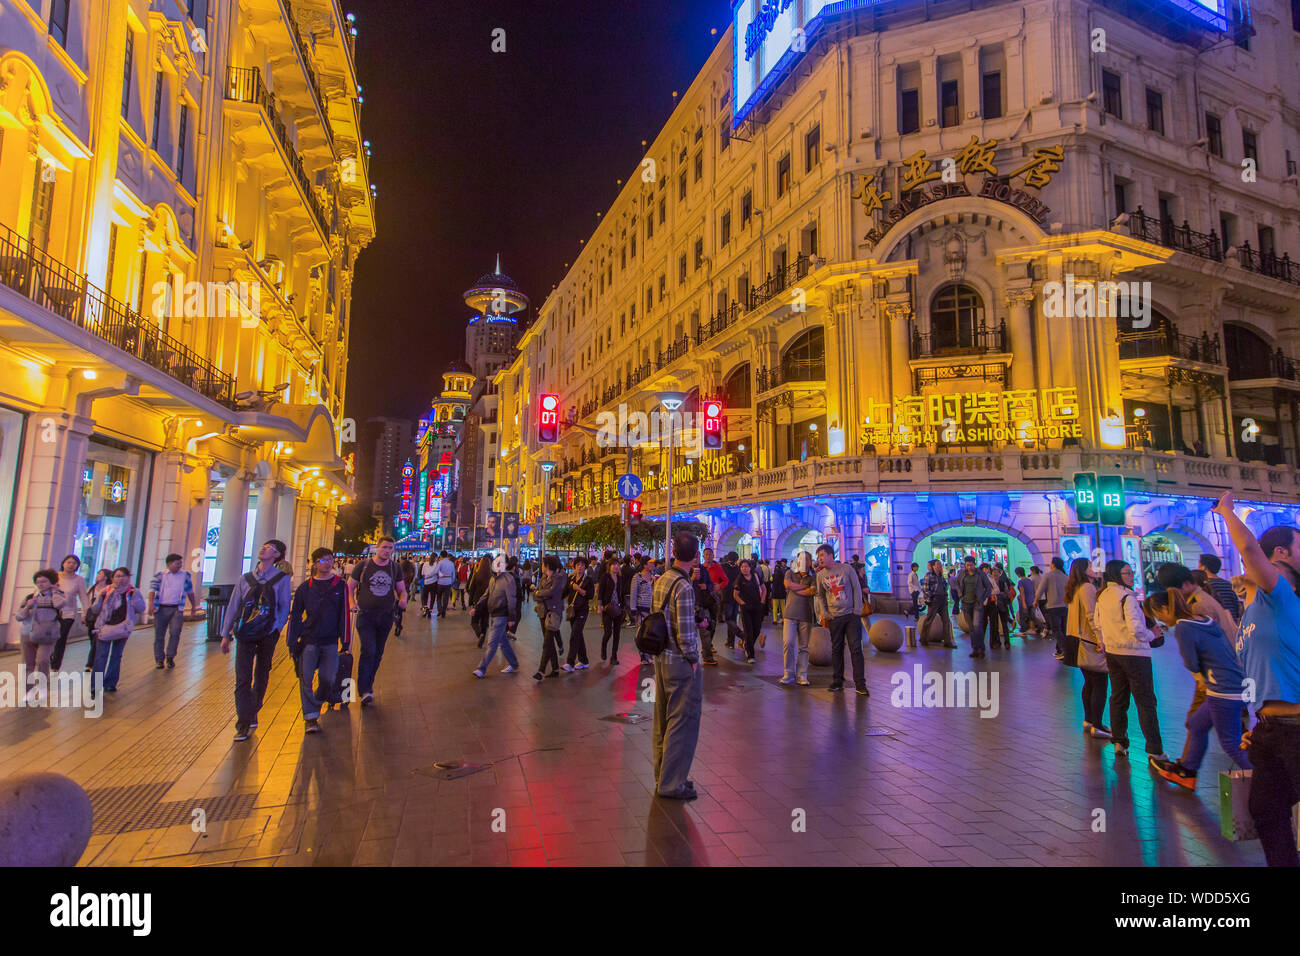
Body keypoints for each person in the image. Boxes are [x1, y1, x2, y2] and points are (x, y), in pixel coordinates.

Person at [1211, 491, 1300, 866]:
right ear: (1281, 552)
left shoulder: (1281, 596)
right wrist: (1256, 717)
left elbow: (1247, 547)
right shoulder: (1252, 614)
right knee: (1265, 811)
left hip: (1297, 728)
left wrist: (1227, 512)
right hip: (1269, 730)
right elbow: (1256, 673)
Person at [1145, 587, 1251, 789]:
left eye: (1157, 615)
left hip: (1223, 690)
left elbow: (1192, 663)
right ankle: (1187, 771)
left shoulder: (1184, 627)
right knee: (1196, 724)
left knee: (1230, 743)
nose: (1159, 620)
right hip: (1234, 684)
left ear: (1165, 609)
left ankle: (1267, 781)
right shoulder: (1205, 620)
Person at [1092, 559, 1177, 774]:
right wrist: (1152, 635)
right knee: (1145, 700)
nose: (1130, 576)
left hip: (1113, 652)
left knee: (1118, 698)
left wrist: (1104, 641)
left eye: (1130, 572)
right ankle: (1154, 749)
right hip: (1135, 654)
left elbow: (1097, 623)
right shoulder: (1127, 597)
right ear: (1115, 575)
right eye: (1126, 573)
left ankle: (1119, 741)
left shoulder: (1103, 596)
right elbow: (1137, 629)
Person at [222, 539, 292, 740]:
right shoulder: (245, 578)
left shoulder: (282, 579)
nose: (264, 549)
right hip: (245, 634)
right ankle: (243, 722)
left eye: (270, 548)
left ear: (277, 555)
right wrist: (225, 634)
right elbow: (234, 605)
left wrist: (275, 629)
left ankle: (253, 709)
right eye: (264, 546)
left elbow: (284, 607)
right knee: (242, 678)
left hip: (266, 635)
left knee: (262, 674)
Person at [651, 531, 703, 801]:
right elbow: (684, 632)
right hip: (680, 663)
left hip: (661, 659)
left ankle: (664, 777)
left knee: (663, 720)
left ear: (673, 553)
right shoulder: (683, 586)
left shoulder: (662, 580)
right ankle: (673, 784)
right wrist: (693, 660)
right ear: (695, 557)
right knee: (682, 722)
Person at [287, 548, 351, 734]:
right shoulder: (304, 588)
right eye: (323, 560)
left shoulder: (340, 585)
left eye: (330, 559)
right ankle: (311, 717)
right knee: (306, 678)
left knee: (328, 678)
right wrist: (292, 642)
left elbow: (344, 614)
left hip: (331, 641)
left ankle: (318, 699)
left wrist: (345, 641)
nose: (327, 563)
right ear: (314, 563)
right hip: (309, 640)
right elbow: (296, 616)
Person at [347, 536, 407, 707]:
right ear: (377, 548)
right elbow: (350, 586)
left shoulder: (395, 568)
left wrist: (403, 599)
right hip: (366, 615)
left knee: (378, 653)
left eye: (390, 548)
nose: (387, 551)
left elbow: (401, 589)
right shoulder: (364, 566)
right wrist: (352, 603)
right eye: (385, 547)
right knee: (369, 650)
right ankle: (364, 689)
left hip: (386, 616)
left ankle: (368, 686)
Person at [814, 544, 867, 695]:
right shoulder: (820, 575)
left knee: (856, 649)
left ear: (831, 555)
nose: (820, 559)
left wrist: (857, 611)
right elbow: (820, 596)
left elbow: (856, 589)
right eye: (818, 557)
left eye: (822, 556)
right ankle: (838, 681)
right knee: (836, 649)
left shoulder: (846, 569)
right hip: (834, 617)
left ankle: (860, 683)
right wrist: (825, 613)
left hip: (851, 615)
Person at [1065, 557, 1109, 738]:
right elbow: (1092, 616)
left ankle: (1089, 720)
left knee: (1090, 682)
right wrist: (1100, 639)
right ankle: (1097, 724)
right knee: (1099, 682)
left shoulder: (1075, 589)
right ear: (1083, 570)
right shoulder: (1087, 588)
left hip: (1076, 639)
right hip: (1088, 641)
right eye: (1090, 566)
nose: (1094, 568)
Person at [88, 567, 144, 697]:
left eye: (123, 576)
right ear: (112, 578)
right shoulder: (105, 591)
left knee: (116, 655)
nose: (120, 579)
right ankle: (95, 687)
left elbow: (140, 608)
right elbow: (95, 609)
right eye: (117, 576)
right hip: (105, 627)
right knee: (101, 656)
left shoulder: (133, 592)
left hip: (123, 627)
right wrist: (100, 598)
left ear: (128, 577)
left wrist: (135, 598)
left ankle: (110, 683)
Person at [15, 568, 66, 701]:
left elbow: (60, 604)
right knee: (28, 664)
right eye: (38, 582)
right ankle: (28, 692)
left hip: (47, 634)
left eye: (44, 581)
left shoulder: (57, 595)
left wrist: (54, 591)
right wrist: (28, 606)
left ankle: (42, 688)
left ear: (51, 582)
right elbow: (19, 617)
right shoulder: (30, 597)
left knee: (43, 660)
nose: (41, 584)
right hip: (28, 633)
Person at [146, 553, 198, 669]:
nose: (179, 565)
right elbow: (152, 590)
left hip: (176, 608)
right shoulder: (160, 575)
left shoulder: (185, 576)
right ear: (169, 564)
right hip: (161, 608)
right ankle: (159, 659)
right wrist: (151, 604)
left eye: (180, 563)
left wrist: (194, 606)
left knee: (175, 633)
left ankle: (170, 657)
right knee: (159, 635)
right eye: (177, 563)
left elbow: (190, 591)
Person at [473, 554, 520, 677]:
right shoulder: (493, 579)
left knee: (492, 643)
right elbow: (486, 595)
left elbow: (512, 600)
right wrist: (476, 607)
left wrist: (511, 618)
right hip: (492, 614)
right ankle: (514, 663)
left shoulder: (508, 580)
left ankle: (481, 668)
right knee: (503, 642)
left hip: (501, 614)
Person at [781, 552, 816, 685]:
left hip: (806, 615)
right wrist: (804, 587)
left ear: (810, 561)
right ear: (798, 561)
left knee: (804, 647)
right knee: (788, 642)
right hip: (790, 614)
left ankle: (802, 675)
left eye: (807, 559)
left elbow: (812, 591)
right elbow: (787, 585)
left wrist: (795, 588)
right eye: (801, 559)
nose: (804, 561)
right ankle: (788, 673)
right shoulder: (790, 572)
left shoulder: (813, 576)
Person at [50, 555, 89, 672]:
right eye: (68, 562)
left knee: (61, 638)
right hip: (52, 612)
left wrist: (85, 613)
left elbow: (83, 597)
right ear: (63, 563)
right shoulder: (55, 577)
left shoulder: (79, 579)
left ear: (77, 566)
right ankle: (49, 656)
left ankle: (55, 666)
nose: (71, 565)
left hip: (69, 613)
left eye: (74, 563)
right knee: (50, 637)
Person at [534, 555, 566, 679]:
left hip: (553, 613)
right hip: (542, 612)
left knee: (547, 642)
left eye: (543, 564)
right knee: (549, 642)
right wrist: (541, 595)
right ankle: (555, 668)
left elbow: (552, 592)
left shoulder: (558, 578)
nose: (541, 566)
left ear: (547, 566)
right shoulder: (542, 578)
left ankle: (541, 670)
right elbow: (535, 595)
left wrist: (539, 594)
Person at [956, 556, 993, 658]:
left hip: (977, 603)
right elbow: (957, 585)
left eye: (971, 565)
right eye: (967, 565)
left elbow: (988, 587)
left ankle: (981, 648)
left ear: (974, 564)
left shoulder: (980, 574)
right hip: (966, 603)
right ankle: (975, 648)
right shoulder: (962, 573)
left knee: (977, 626)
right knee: (971, 628)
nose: (969, 567)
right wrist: (961, 596)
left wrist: (982, 598)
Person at [733, 558, 766, 663]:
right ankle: (750, 655)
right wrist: (743, 603)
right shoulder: (739, 579)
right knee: (748, 630)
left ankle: (746, 643)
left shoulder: (755, 576)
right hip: (746, 608)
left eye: (746, 567)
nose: (744, 569)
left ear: (750, 567)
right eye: (742, 567)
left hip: (757, 606)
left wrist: (762, 601)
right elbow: (735, 595)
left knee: (757, 629)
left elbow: (764, 589)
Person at [81, 569, 113, 672]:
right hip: (91, 617)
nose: (98, 575)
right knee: (92, 640)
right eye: (98, 573)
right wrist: (83, 615)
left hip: (102, 618)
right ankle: (95, 659)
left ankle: (90, 664)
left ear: (106, 577)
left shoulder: (109, 589)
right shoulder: (92, 588)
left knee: (96, 640)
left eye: (100, 574)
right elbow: (85, 603)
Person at [1038, 557, 1069, 658]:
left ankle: (1065, 650)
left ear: (1053, 564)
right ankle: (1060, 650)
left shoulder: (1048, 575)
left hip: (1053, 606)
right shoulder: (1065, 576)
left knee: (1056, 629)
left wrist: (1035, 600)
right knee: (1062, 629)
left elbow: (1040, 589)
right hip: (1064, 606)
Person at [1199, 553, 1243, 623]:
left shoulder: (1205, 586)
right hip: (1232, 622)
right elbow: (1236, 606)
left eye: (1199, 565)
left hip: (1217, 624)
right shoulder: (1228, 584)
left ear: (1204, 567)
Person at [689, 560, 718, 665]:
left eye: (697, 557)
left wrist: (707, 586)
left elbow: (711, 584)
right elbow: (683, 586)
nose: (695, 560)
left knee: (706, 631)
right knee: (691, 634)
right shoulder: (685, 570)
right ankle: (692, 657)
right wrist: (692, 579)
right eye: (693, 557)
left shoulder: (704, 570)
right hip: (689, 606)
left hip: (702, 604)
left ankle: (707, 657)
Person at [566, 556, 593, 669]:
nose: (580, 567)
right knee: (578, 635)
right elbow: (565, 591)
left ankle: (570, 662)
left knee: (574, 635)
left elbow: (590, 595)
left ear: (585, 567)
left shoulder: (588, 580)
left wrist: (580, 590)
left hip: (582, 610)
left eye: (582, 565)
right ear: (575, 566)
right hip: (572, 610)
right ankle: (584, 660)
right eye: (578, 565)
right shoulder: (571, 579)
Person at [598, 556, 624, 666]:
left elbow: (622, 593)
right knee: (608, 632)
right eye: (614, 564)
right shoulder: (605, 577)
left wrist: (623, 606)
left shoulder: (621, 578)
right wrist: (600, 606)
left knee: (617, 633)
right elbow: (600, 592)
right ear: (609, 566)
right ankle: (603, 648)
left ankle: (614, 656)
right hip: (607, 608)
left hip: (618, 608)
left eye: (618, 564)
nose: (616, 566)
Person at [632, 559, 655, 665]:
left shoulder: (654, 577)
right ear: (645, 565)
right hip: (641, 609)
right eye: (651, 563)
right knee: (642, 633)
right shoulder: (637, 577)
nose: (653, 565)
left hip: (652, 609)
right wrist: (633, 609)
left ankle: (649, 655)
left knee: (651, 633)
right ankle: (643, 656)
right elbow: (633, 593)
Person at [467, 554, 493, 645]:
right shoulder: (492, 578)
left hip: (477, 601)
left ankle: (479, 634)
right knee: (484, 622)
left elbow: (471, 589)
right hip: (487, 601)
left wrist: (470, 602)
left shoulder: (477, 575)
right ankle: (482, 637)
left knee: (474, 621)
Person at [770, 558, 787, 625]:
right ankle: (783, 620)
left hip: (775, 593)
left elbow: (770, 580)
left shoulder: (774, 575)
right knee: (783, 607)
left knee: (775, 607)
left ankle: (775, 620)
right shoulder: (783, 575)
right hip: (782, 593)